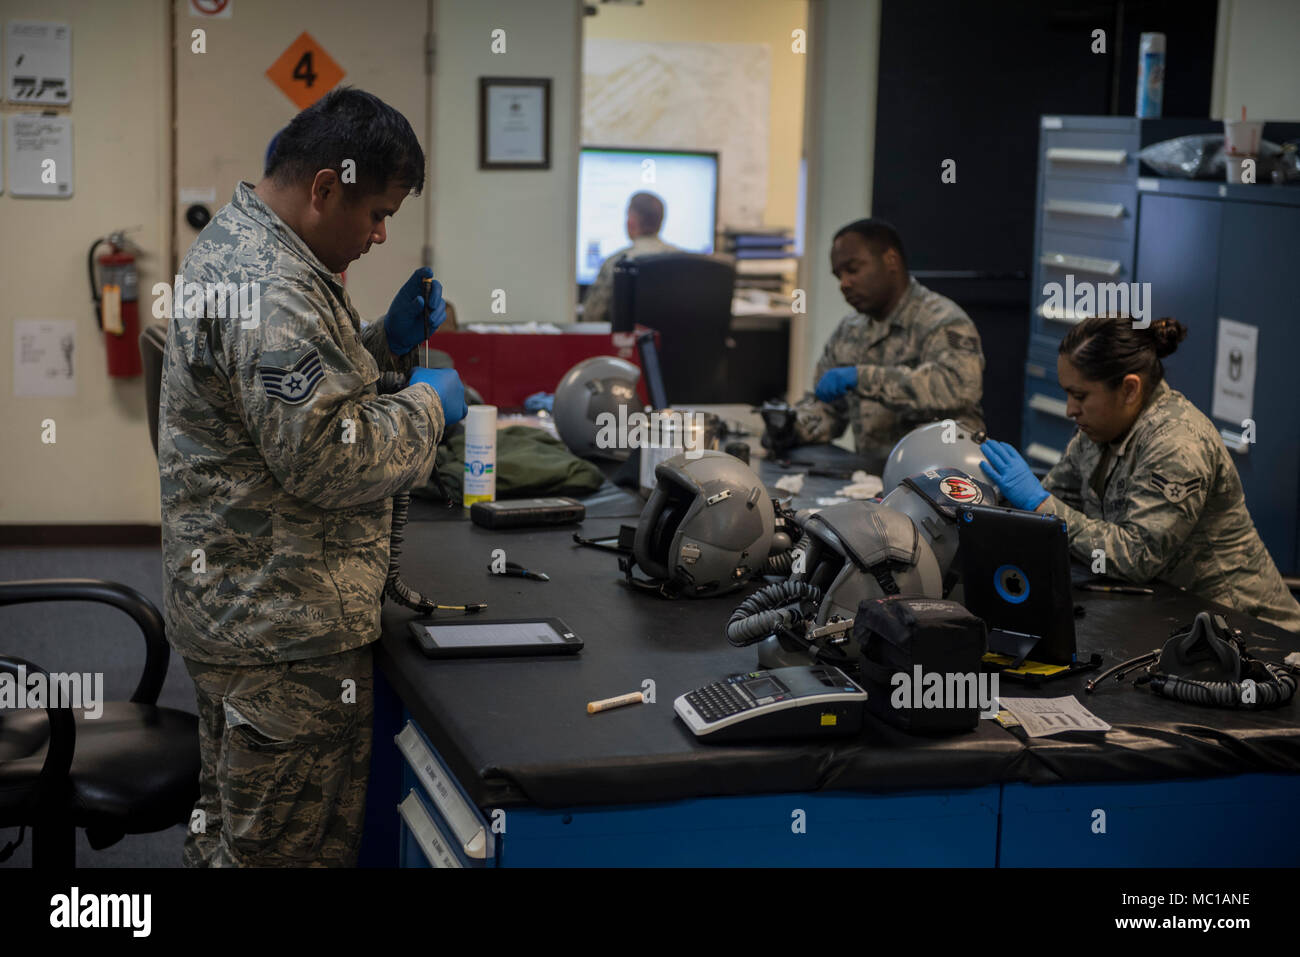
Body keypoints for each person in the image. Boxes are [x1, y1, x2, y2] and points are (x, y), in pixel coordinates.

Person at [159, 87, 468, 867]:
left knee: (231, 831)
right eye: (375, 214)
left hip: (237, 610)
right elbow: (327, 455)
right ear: (325, 186)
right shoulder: (278, 287)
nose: (380, 234)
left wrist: (384, 344)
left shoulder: (243, 246)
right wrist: (430, 405)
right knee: (281, 853)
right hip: (282, 634)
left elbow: (281, 401)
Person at [979, 316, 1300, 633]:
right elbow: (1056, 509)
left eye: (1080, 395)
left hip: (1251, 634)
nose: (1070, 409)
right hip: (1172, 616)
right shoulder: (1099, 432)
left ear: (1130, 389)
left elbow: (1136, 556)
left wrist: (1040, 503)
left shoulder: (1177, 444)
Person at [788, 218, 986, 461]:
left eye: (853, 269)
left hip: (944, 477)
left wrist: (862, 378)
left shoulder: (942, 320)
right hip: (875, 476)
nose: (844, 284)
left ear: (891, 259)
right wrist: (791, 426)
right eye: (838, 275)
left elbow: (958, 387)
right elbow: (829, 410)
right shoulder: (850, 330)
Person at [581, 191, 679, 324]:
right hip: (675, 343)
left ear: (631, 222)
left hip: (628, 343)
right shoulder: (683, 261)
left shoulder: (617, 263)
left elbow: (591, 316)